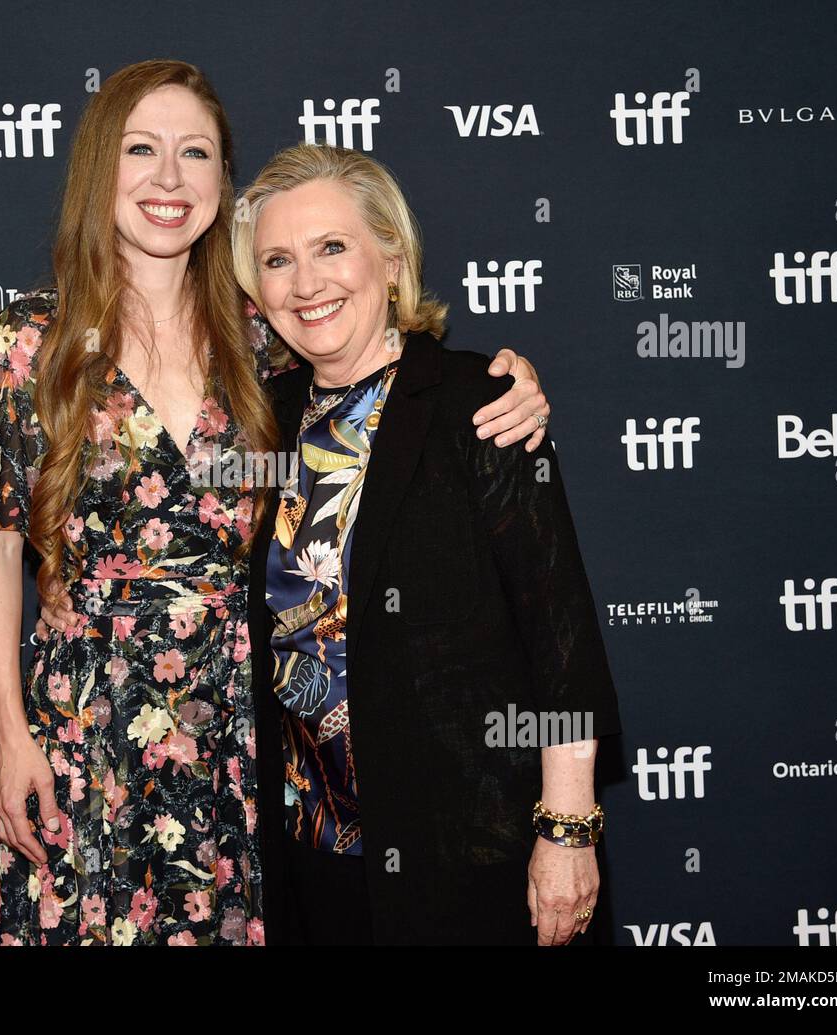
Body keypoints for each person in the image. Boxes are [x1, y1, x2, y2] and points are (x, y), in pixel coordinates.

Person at [0, 61, 550, 946]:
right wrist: (10, 736)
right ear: (101, 169)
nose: (169, 178)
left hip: (252, 738)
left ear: (224, 182)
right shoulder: (31, 341)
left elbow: (388, 377)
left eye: (197, 153)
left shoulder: (267, 339)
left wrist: (508, 378)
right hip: (87, 732)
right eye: (142, 150)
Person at [231, 144, 624, 946]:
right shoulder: (257, 423)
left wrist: (569, 828)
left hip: (472, 857)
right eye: (277, 260)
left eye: (332, 247)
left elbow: (562, 634)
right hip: (314, 860)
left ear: (392, 257)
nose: (306, 283)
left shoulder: (481, 404)